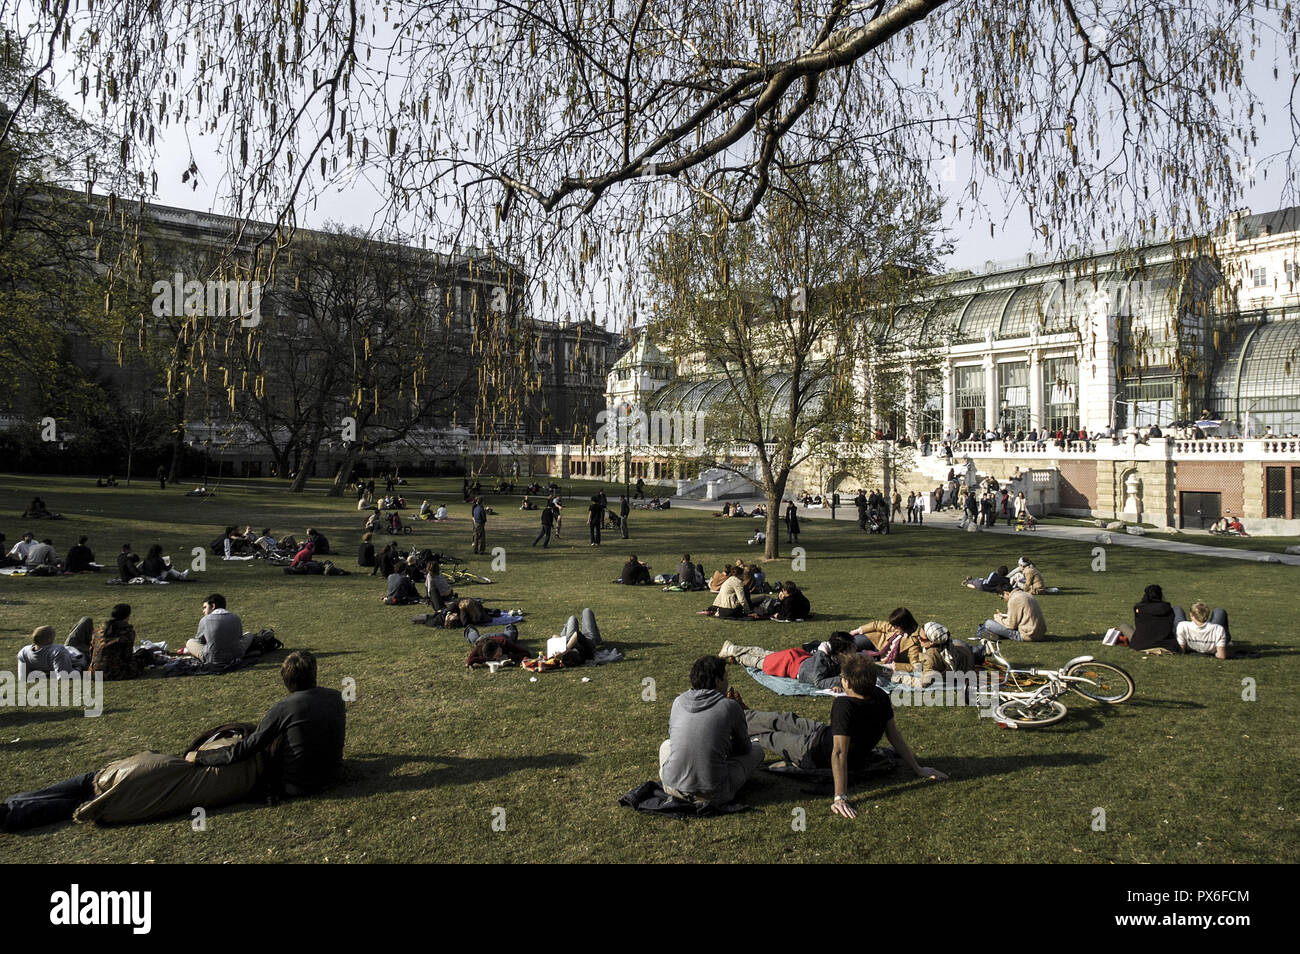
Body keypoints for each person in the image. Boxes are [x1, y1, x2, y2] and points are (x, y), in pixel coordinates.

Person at [742, 654, 946, 819]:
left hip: (813, 752)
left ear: (847, 682)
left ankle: (736, 724)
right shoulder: (880, 696)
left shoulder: (845, 705)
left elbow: (839, 753)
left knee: (770, 736)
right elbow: (894, 735)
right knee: (784, 719)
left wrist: (839, 797)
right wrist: (917, 768)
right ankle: (740, 714)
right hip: (823, 733)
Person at [188, 650, 346, 798]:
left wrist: (201, 757)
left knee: (257, 742)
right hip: (334, 776)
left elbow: (247, 748)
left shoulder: (284, 708)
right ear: (314, 673)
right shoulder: (337, 697)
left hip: (297, 785)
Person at [658, 656, 763, 806]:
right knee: (757, 750)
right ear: (718, 681)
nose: (727, 682)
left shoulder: (678, 701)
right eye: (726, 677)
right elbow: (744, 748)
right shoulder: (729, 706)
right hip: (715, 794)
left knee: (666, 745)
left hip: (672, 787)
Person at [718, 633, 855, 690]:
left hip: (796, 658)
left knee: (763, 653)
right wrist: (840, 681)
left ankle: (733, 650)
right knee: (758, 661)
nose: (853, 655)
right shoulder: (822, 659)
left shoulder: (834, 657)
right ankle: (732, 650)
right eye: (850, 652)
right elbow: (818, 681)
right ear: (841, 652)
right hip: (789, 664)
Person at [186, 594, 253, 664]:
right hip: (236, 655)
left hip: (213, 658)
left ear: (213, 606)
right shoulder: (236, 618)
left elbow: (200, 641)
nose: (203, 611)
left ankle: (187, 650)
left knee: (190, 642)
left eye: (205, 607)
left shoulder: (205, 620)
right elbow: (239, 638)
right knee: (249, 634)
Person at [89, 604, 143, 680]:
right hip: (113, 673)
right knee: (142, 655)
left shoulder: (99, 630)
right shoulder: (127, 632)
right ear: (127, 616)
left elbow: (91, 650)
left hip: (93, 673)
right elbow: (127, 656)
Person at [979, 582, 1047, 642]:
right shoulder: (1027, 595)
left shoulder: (1014, 599)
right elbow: (1022, 616)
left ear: (1006, 593)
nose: (1004, 600)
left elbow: (1011, 625)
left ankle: (984, 632)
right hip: (1039, 633)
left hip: (1028, 635)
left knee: (988, 623)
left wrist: (998, 618)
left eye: (1002, 597)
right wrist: (1004, 616)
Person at [17, 625, 86, 681]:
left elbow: (22, 677)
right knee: (85, 621)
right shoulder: (58, 651)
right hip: (79, 655)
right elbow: (63, 676)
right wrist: (80, 668)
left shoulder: (24, 652)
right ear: (49, 639)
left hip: (68, 652)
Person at [1131, 583, 1179, 653]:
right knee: (1178, 609)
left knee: (1124, 626)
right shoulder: (1167, 608)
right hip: (1165, 644)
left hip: (1141, 645)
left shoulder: (1139, 608)